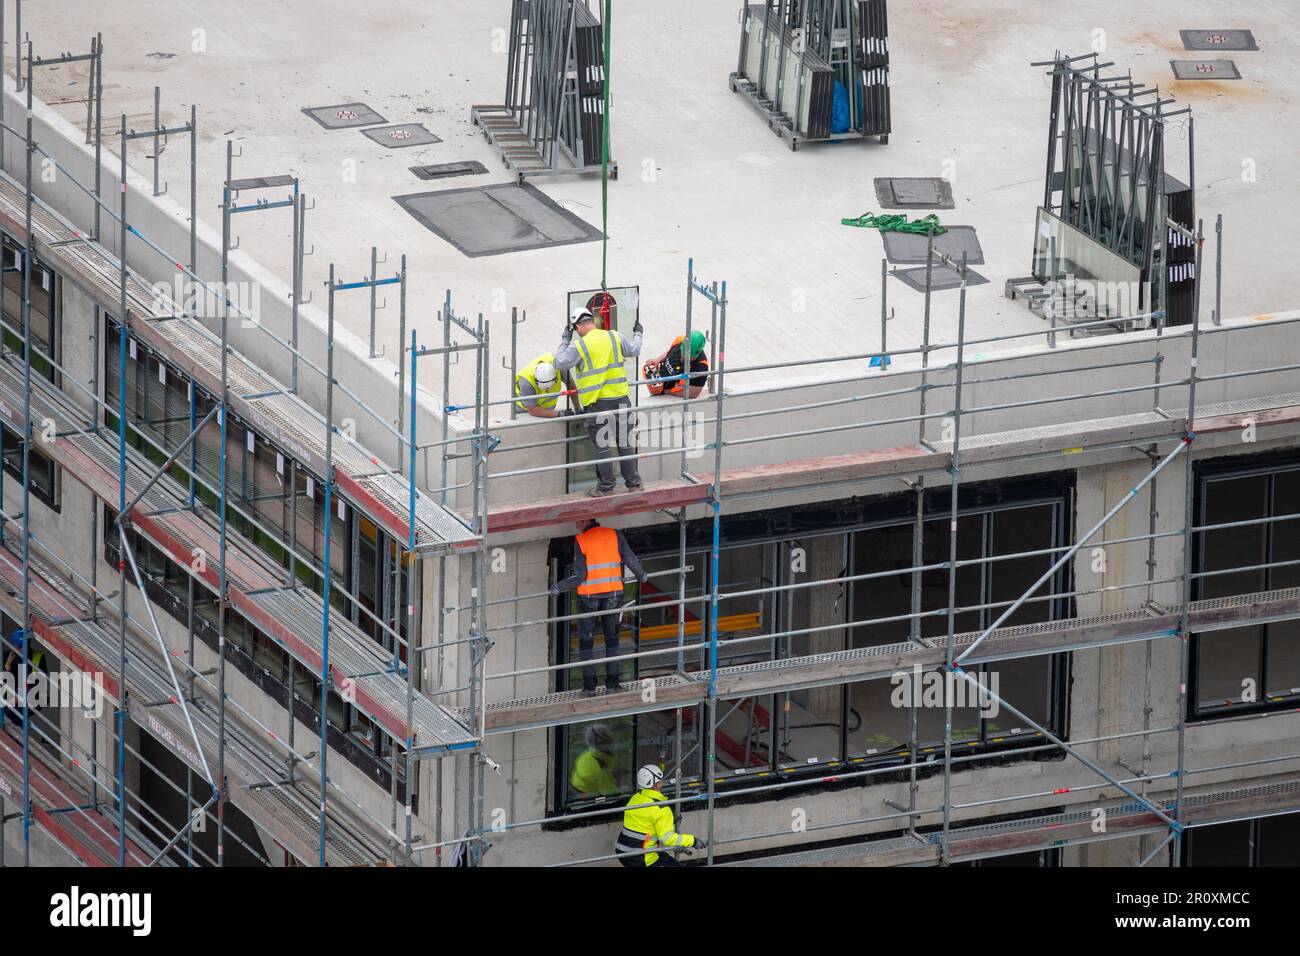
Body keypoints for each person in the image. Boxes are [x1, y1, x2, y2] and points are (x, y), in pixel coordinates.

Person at [550, 518, 647, 696]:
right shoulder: (614, 535)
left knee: (586, 643)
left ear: (587, 521)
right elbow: (629, 557)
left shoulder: (581, 540)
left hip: (589, 598)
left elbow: (580, 576)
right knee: (612, 640)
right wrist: (641, 575)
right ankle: (612, 685)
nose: (576, 525)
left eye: (578, 522)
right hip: (613, 595)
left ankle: (589, 688)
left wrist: (559, 586)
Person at [553, 306, 643, 497]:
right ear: (593, 322)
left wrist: (565, 340)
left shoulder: (580, 345)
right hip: (621, 399)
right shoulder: (614, 336)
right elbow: (635, 350)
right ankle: (634, 484)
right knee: (625, 443)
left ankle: (605, 487)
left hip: (597, 403)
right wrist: (638, 333)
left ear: (578, 327)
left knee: (602, 447)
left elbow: (559, 362)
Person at [614, 764, 705, 867]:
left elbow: (646, 823)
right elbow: (668, 839)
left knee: (667, 859)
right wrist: (693, 841)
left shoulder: (634, 799)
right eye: (660, 780)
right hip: (642, 857)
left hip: (623, 852)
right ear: (657, 785)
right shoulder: (661, 809)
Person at [644, 330, 708, 399]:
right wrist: (657, 360)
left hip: (670, 396)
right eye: (682, 352)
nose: (682, 357)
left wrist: (667, 391)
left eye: (687, 357)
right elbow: (670, 352)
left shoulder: (701, 367)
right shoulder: (680, 340)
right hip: (661, 386)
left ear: (697, 353)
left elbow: (693, 393)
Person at [571, 723, 619, 798]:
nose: (611, 738)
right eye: (608, 736)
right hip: (584, 797)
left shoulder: (588, 755)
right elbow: (609, 792)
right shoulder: (599, 766)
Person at [514, 352, 568, 419]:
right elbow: (532, 410)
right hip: (524, 411)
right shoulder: (526, 382)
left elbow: (571, 386)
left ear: (555, 378)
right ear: (536, 380)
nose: (547, 390)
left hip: (547, 410)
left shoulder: (559, 366)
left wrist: (577, 408)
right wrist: (559, 414)